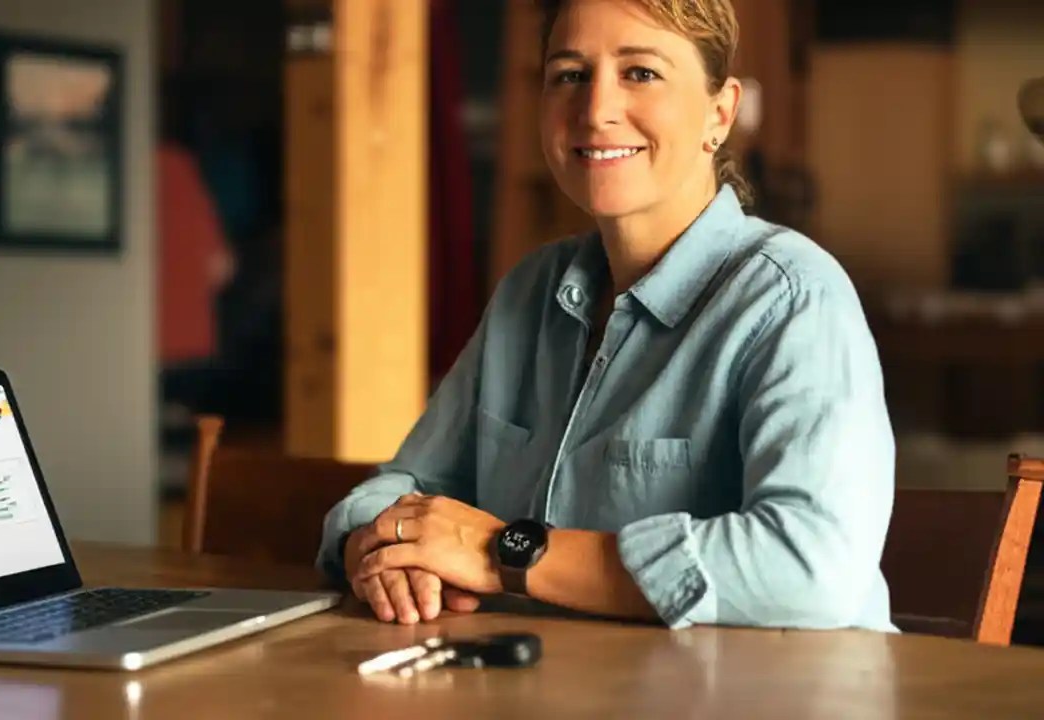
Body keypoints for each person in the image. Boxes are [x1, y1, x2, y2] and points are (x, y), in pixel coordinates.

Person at [317, 0, 895, 631]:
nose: (595, 111)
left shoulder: (792, 298)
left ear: (719, 113)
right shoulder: (527, 293)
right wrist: (383, 553)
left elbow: (813, 568)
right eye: (569, 74)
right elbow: (406, 486)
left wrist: (502, 554)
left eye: (640, 73)